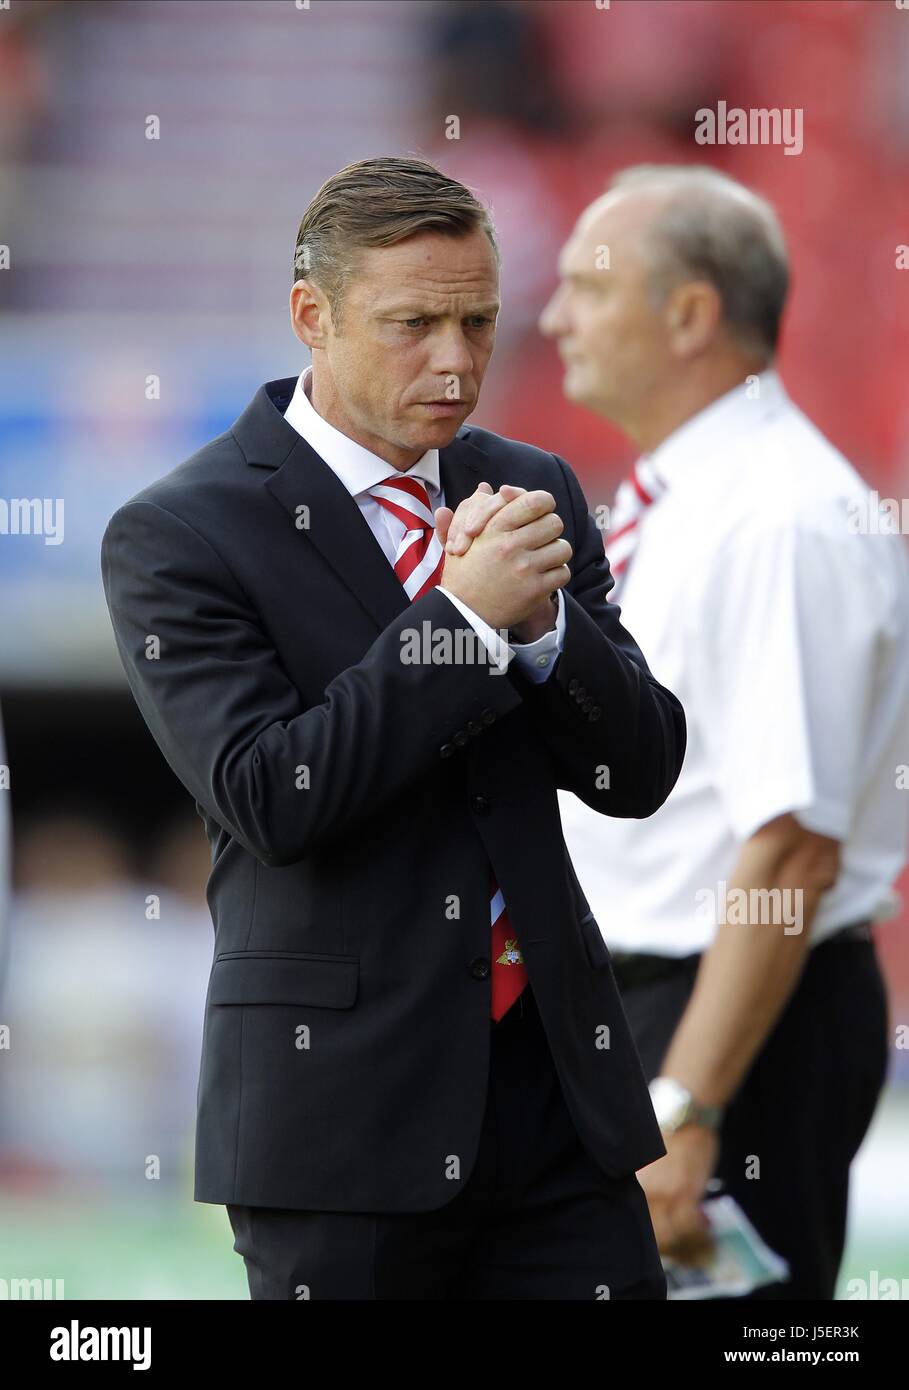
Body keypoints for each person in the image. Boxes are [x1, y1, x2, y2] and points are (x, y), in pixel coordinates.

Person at [100, 157, 686, 1300]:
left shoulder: (532, 484)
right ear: (309, 316)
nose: (458, 361)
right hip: (341, 1123)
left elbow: (639, 767)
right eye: (412, 324)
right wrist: (463, 622)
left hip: (561, 1102)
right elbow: (274, 794)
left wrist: (545, 631)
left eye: (478, 320)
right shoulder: (178, 533)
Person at [529, 163, 909, 1299]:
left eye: (588, 288)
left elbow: (791, 847)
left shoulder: (778, 518)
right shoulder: (703, 500)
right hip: (662, 1009)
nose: (553, 319)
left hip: (727, 1024)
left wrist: (686, 1106)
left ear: (690, 312)